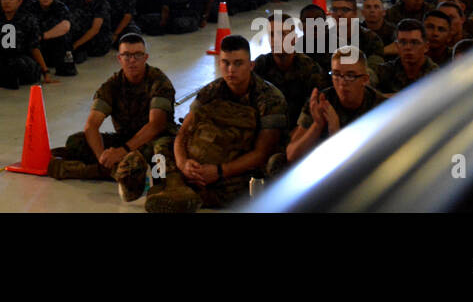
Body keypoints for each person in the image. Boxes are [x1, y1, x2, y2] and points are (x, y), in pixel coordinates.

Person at [146, 33, 286, 213]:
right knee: (161, 146)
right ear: (219, 63)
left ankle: (182, 193)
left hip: (236, 166)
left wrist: (219, 171)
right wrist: (183, 164)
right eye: (225, 63)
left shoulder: (269, 98)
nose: (231, 70)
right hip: (203, 160)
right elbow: (184, 132)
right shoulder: (210, 91)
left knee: (256, 183)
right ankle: (177, 187)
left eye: (238, 63)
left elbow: (262, 152)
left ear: (251, 65)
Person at [48, 33, 177, 202]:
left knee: (158, 155)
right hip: (127, 139)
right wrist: (103, 157)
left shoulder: (159, 82)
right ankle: (120, 171)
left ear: (145, 57)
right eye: (126, 55)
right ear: (119, 58)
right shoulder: (112, 85)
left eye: (137, 55)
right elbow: (91, 126)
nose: (132, 60)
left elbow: (156, 126)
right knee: (76, 142)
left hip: (156, 139)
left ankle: (142, 178)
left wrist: (122, 151)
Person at [285, 45, 387, 165]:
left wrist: (336, 134)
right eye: (337, 74)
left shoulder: (382, 108)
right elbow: (292, 155)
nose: (342, 82)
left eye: (350, 76)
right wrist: (317, 125)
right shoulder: (322, 102)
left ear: (365, 79)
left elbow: (378, 159)